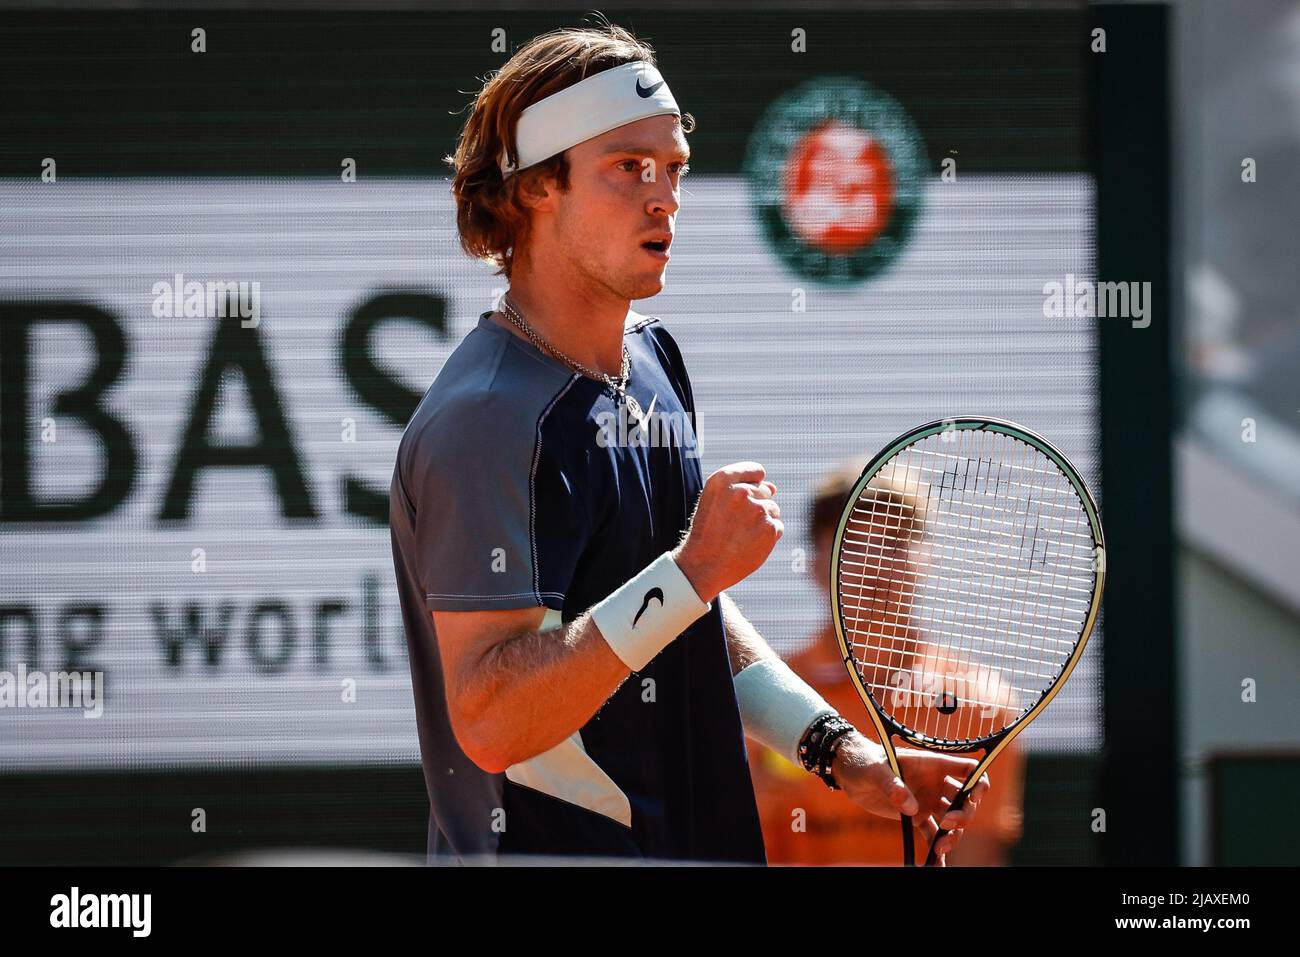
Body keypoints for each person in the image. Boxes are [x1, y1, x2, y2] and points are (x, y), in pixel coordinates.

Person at [388, 19, 988, 865]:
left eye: (674, 169)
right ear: (534, 190)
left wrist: (838, 752)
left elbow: (675, 610)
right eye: (628, 168)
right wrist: (693, 568)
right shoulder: (486, 421)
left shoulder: (653, 359)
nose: (664, 195)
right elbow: (491, 720)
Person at [748, 460, 1026, 865]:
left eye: (895, 541)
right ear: (814, 563)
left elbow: (977, 857)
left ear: (925, 559)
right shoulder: (760, 701)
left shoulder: (984, 703)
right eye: (855, 543)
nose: (877, 566)